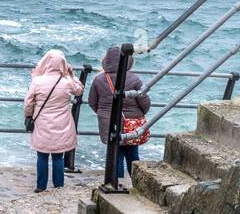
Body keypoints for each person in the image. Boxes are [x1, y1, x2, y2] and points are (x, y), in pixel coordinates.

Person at [87, 45, 152, 182]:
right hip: (132, 123)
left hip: (109, 123)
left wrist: (104, 115)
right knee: (133, 154)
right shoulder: (134, 78)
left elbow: (92, 102)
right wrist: (139, 114)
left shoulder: (99, 79)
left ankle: (117, 182)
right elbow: (145, 102)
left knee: (116, 153)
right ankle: (137, 182)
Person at [23, 49, 84, 191]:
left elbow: (28, 102)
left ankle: (41, 186)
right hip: (62, 123)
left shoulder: (37, 81)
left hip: (42, 123)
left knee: (42, 155)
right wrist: (71, 75)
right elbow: (79, 90)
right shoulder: (67, 82)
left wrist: (28, 115)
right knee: (58, 156)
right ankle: (58, 187)